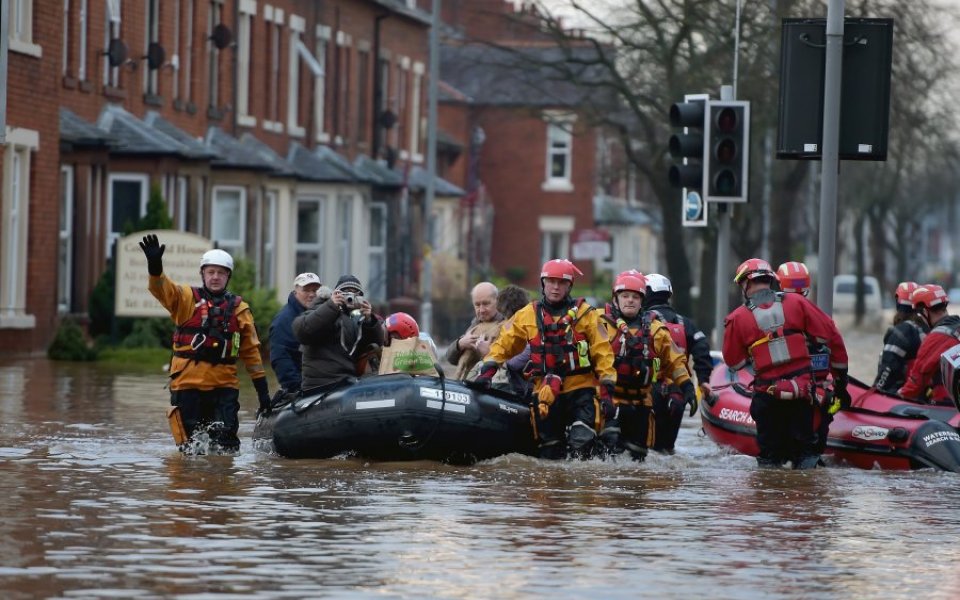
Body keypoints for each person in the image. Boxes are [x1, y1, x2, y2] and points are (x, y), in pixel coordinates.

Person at [139, 234, 271, 453]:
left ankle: (221, 486)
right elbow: (164, 290)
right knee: (191, 448)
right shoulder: (186, 299)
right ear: (203, 274)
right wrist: (155, 267)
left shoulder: (240, 309)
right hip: (188, 385)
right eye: (211, 272)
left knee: (226, 447)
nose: (215, 277)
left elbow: (252, 355)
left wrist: (263, 394)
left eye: (220, 273)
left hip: (223, 387)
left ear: (228, 276)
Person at [475, 259, 616, 459]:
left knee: (581, 440)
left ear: (570, 285)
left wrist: (608, 387)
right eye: (551, 281)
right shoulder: (528, 315)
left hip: (581, 388)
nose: (555, 287)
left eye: (561, 282)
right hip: (545, 390)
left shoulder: (586, 315)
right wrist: (488, 370)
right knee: (549, 451)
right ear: (543, 283)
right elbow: (505, 345)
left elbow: (603, 352)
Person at [722, 258, 849, 469]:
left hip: (768, 396)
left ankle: (771, 498)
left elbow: (734, 362)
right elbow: (831, 335)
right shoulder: (797, 303)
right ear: (770, 279)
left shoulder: (737, 319)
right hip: (802, 394)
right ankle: (808, 496)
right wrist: (841, 381)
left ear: (746, 284)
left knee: (770, 461)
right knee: (806, 455)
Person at [599, 270, 695, 461]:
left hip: (641, 403)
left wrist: (687, 387)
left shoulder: (656, 330)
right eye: (625, 296)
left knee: (637, 459)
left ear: (642, 300)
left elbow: (675, 361)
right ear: (615, 298)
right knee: (608, 455)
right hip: (610, 402)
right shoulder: (599, 323)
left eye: (635, 297)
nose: (630, 300)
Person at [643, 273, 713, 454]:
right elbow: (702, 349)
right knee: (667, 449)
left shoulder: (642, 321)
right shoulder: (686, 323)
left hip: (649, 392)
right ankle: (668, 482)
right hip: (680, 393)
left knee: (646, 449)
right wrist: (703, 379)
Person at [293, 274, 383, 394]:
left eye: (356, 294)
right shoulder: (322, 307)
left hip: (345, 383)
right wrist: (331, 305)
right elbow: (302, 330)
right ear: (335, 294)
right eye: (346, 293)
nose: (350, 297)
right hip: (320, 385)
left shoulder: (354, 318)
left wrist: (369, 321)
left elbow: (375, 345)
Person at [898, 284, 959, 405]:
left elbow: (916, 383)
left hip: (948, 405)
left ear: (925, 312)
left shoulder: (936, 337)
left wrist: (895, 397)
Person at [269, 273, 323, 394]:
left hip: (322, 383)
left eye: (315, 290)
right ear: (296, 291)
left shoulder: (325, 314)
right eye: (306, 290)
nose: (311, 295)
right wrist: (296, 387)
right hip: (302, 387)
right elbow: (280, 357)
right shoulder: (282, 321)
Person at [874, 282, 927, 394]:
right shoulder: (929, 329)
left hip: (901, 396)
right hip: (924, 394)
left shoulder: (900, 333)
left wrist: (875, 391)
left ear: (898, 303)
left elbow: (888, 370)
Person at [445, 282, 503, 380]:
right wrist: (460, 344)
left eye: (486, 303)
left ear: (497, 301)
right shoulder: (476, 323)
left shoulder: (508, 322)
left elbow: (515, 363)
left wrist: (489, 352)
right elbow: (451, 359)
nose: (481, 310)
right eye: (477, 305)